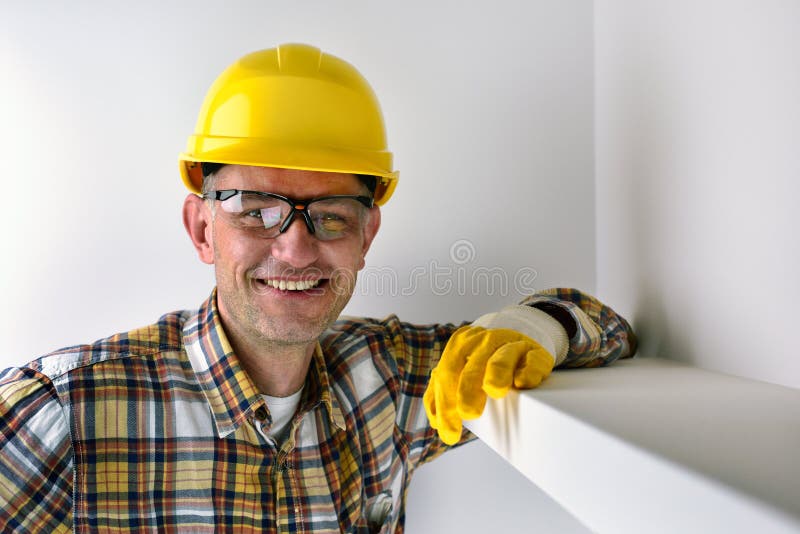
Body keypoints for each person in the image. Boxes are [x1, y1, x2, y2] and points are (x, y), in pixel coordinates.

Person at [0, 43, 636, 533]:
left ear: (367, 235)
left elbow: (606, 329)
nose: (296, 248)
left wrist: (537, 326)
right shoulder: (63, 413)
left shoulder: (389, 380)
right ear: (202, 229)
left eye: (331, 214)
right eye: (254, 210)